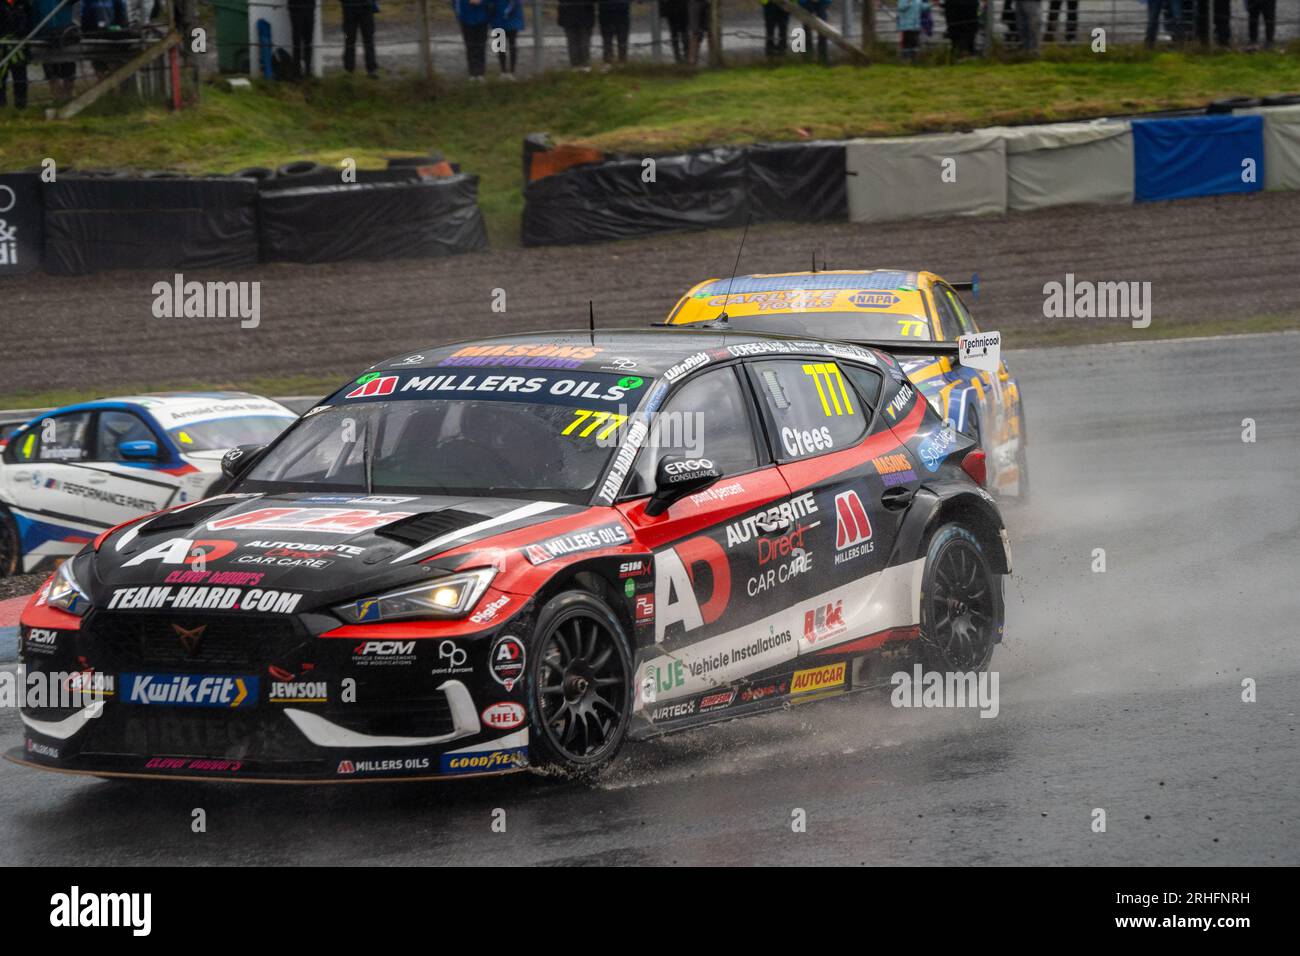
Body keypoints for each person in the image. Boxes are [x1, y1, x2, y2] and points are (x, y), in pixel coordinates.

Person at [0, 0, 32, 110]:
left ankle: (21, 106)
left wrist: (23, 33)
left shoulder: (23, 4)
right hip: (2, 48)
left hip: (19, 48)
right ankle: (1, 106)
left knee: (20, 78)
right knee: (1, 78)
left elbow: (29, 21)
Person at [340, 0, 378, 77]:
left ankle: (371, 69)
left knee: (369, 39)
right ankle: (348, 69)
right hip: (349, 8)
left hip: (366, 7)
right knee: (348, 39)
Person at [454, 0, 489, 80]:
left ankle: (480, 73)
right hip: (466, 20)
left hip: (482, 19)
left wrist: (481, 2)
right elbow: (456, 3)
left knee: (481, 46)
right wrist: (459, 16)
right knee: (470, 46)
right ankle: (472, 73)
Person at [490, 0, 524, 77]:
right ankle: (504, 71)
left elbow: (516, 3)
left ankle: (511, 71)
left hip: (510, 20)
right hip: (498, 19)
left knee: (512, 45)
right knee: (501, 46)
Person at [558, 0, 595, 69]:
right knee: (583, 42)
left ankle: (577, 65)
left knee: (573, 42)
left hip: (570, 15)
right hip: (583, 15)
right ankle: (584, 65)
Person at [288, 0, 316, 78]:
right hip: (296, 8)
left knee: (308, 41)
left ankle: (308, 71)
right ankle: (296, 72)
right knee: (297, 41)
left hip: (309, 8)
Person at [598, 0, 630, 66]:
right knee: (608, 38)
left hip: (621, 9)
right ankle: (609, 62)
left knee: (621, 38)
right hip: (607, 10)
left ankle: (621, 62)